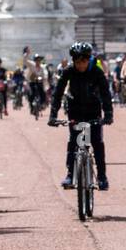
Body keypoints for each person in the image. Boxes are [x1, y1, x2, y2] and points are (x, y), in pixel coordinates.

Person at [48, 42, 113, 189]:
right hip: (75, 110)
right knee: (74, 142)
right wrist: (53, 115)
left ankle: (102, 177)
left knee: (97, 143)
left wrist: (108, 114)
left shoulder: (97, 71)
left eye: (83, 61)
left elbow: (105, 93)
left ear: (88, 59)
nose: (80, 65)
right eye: (77, 62)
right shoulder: (68, 71)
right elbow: (57, 93)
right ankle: (70, 175)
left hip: (93, 110)